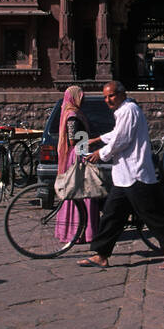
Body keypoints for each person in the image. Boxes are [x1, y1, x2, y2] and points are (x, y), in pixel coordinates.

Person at [81, 81, 164, 266]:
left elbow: (121, 140)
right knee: (112, 216)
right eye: (105, 97)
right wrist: (98, 139)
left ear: (121, 94)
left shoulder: (129, 110)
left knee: (154, 216)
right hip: (124, 177)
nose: (108, 100)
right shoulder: (124, 111)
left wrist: (99, 154)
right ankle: (101, 255)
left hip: (136, 174)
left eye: (111, 95)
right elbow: (118, 133)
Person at [55, 84, 100, 247]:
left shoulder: (73, 113)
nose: (83, 99)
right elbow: (73, 139)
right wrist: (94, 140)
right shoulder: (73, 115)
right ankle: (81, 232)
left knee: (79, 193)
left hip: (78, 154)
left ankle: (75, 230)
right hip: (78, 155)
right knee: (83, 192)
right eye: (81, 96)